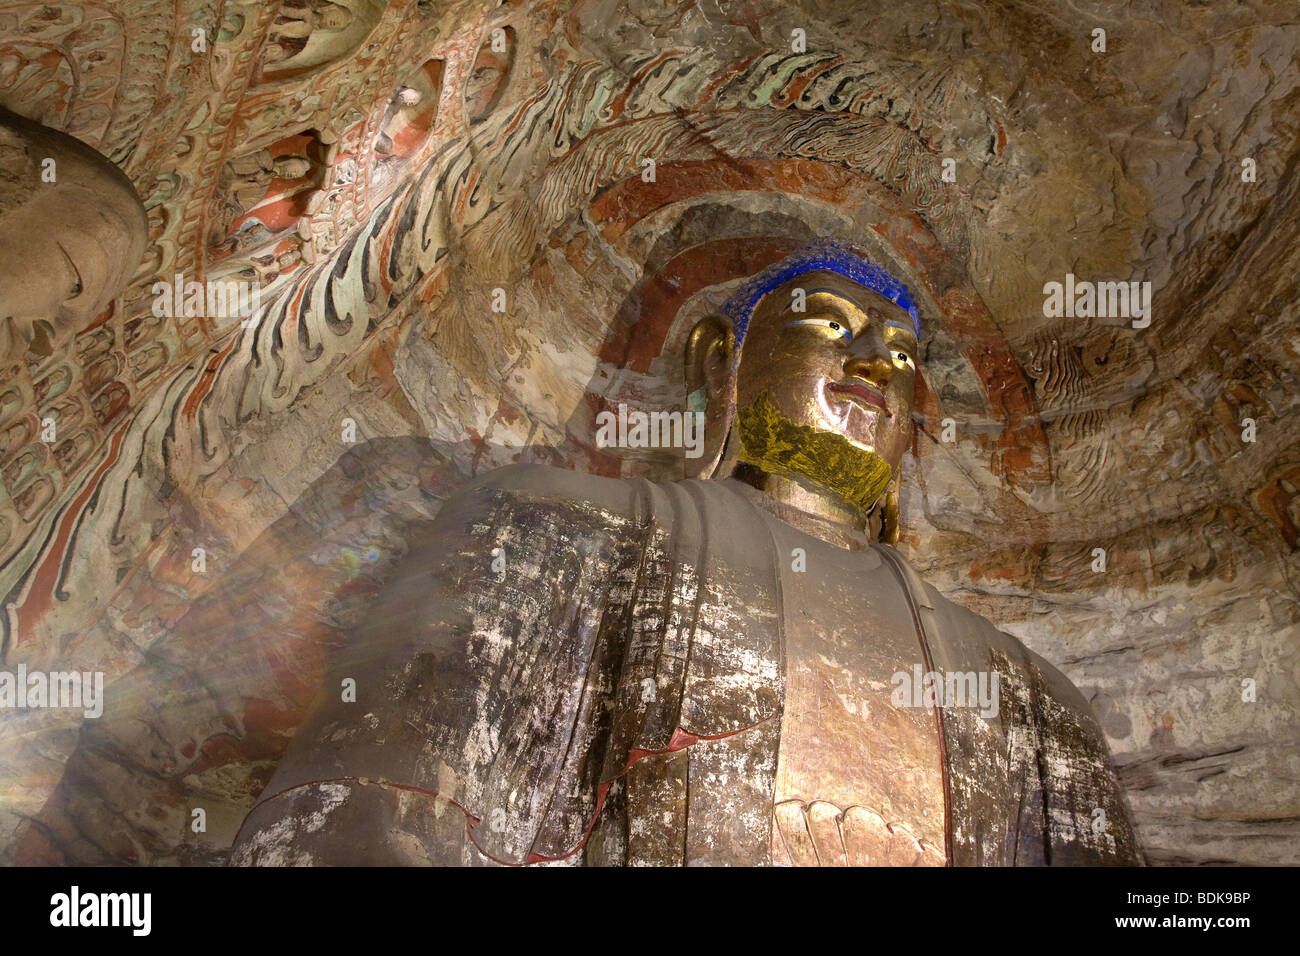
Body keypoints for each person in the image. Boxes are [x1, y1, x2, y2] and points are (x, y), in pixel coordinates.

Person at [231, 238, 1141, 866]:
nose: (874, 362)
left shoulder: (1031, 698)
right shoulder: (547, 522)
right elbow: (370, 812)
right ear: (721, 362)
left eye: (903, 356)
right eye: (830, 325)